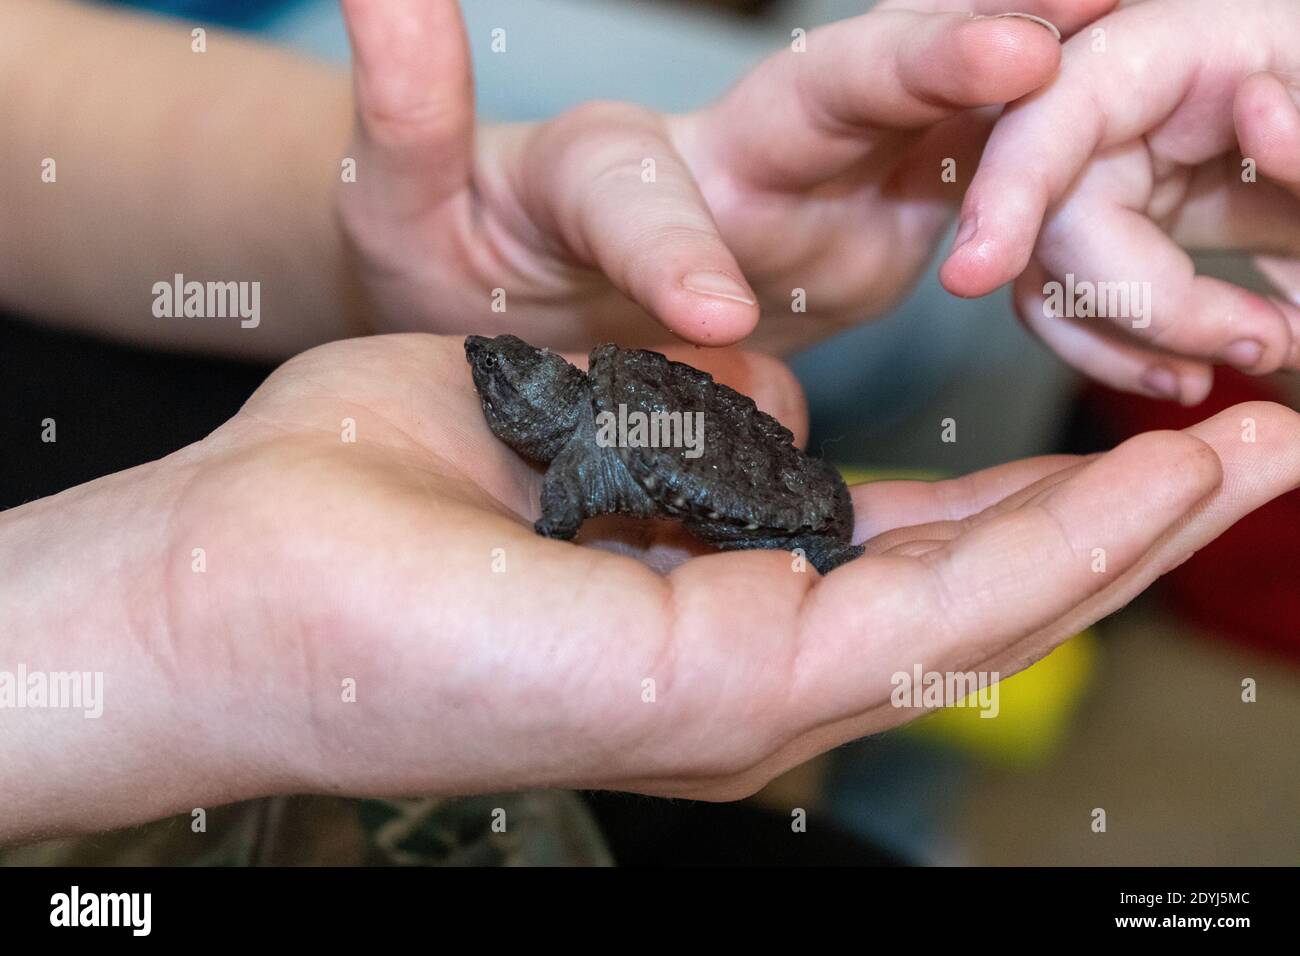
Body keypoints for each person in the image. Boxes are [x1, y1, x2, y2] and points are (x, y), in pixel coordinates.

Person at [0, 0, 1296, 849]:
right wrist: (158, 641)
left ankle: (912, 797)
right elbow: (583, 475)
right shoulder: (577, 444)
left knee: (937, 307)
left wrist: (417, 244)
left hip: (748, 463)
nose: (496, 389)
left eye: (512, 379)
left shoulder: (575, 398)